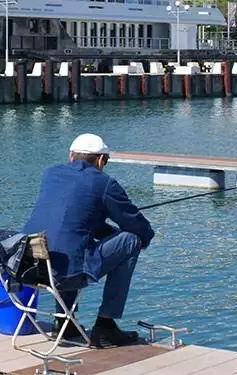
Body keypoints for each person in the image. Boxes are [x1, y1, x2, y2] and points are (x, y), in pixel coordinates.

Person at [24, 133, 154, 348]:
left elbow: (72, 220)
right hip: (66, 275)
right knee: (131, 240)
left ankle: (64, 322)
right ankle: (106, 325)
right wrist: (147, 237)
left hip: (32, 267)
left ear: (71, 155)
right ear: (101, 160)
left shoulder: (50, 174)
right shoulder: (104, 183)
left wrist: (107, 231)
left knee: (69, 246)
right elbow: (133, 223)